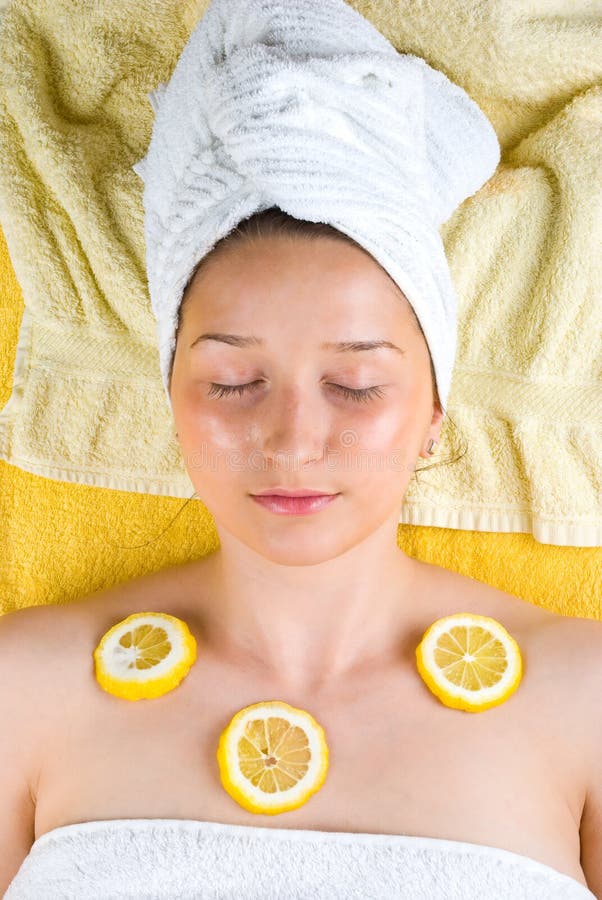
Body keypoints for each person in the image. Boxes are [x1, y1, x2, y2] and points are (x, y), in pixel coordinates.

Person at [1, 205, 601, 898]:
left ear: (433, 411)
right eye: (232, 382)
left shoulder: (585, 697)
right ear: (171, 401)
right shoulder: (23, 685)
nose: (291, 442)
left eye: (354, 387)